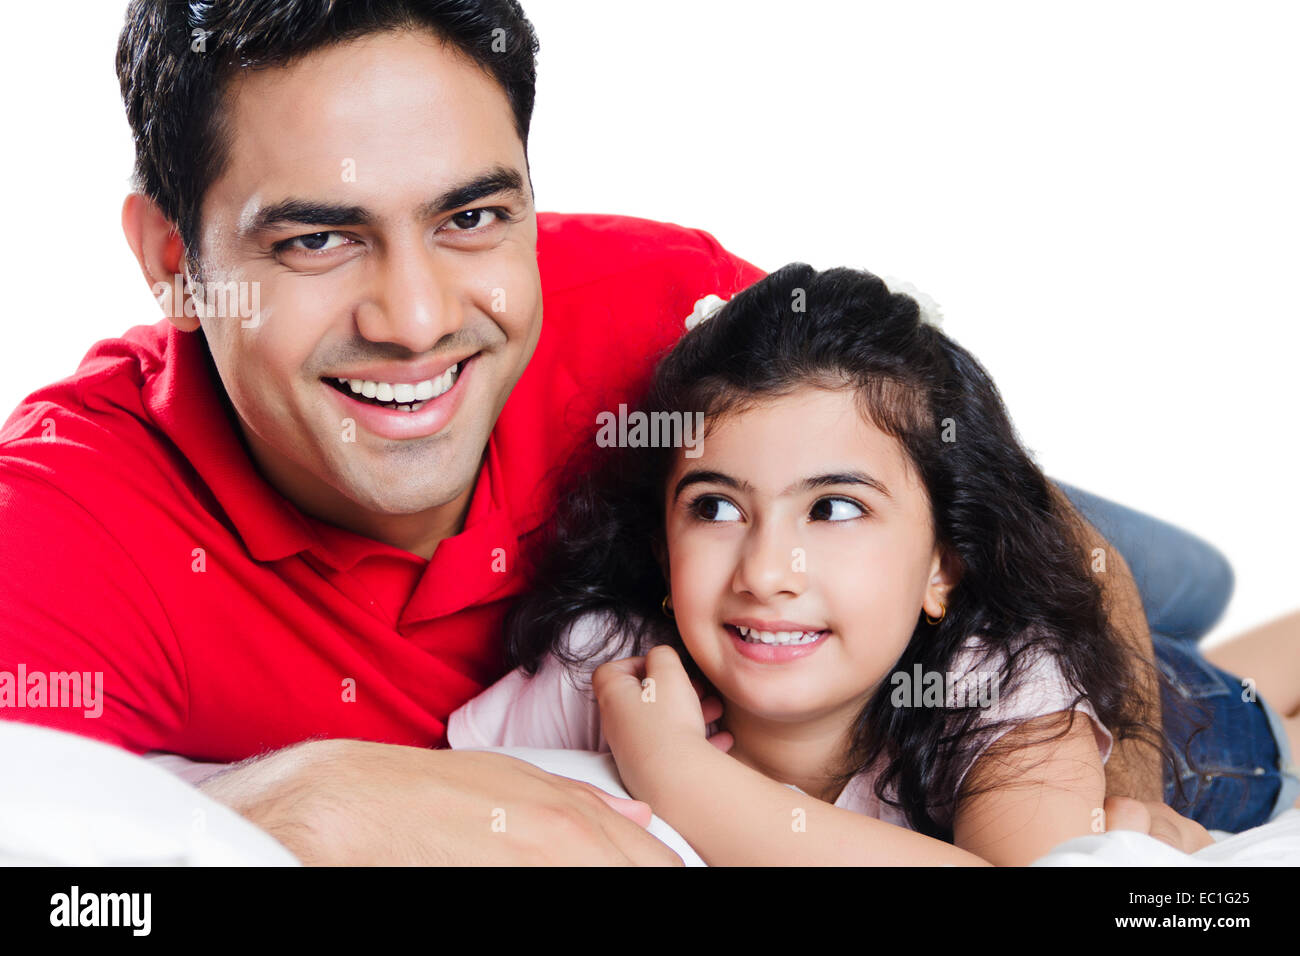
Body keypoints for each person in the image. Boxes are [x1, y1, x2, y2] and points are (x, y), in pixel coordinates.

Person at [0, 0, 1232, 863]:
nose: (418, 319)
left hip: (862, 570)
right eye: (316, 238)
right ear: (173, 262)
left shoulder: (661, 315)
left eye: (472, 216)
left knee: (1150, 595)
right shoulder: (65, 527)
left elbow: (1044, 558)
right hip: (781, 626)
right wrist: (274, 806)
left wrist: (1122, 790)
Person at [449, 265, 1300, 863]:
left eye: (834, 508)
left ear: (944, 567)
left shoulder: (995, 675)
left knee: (1253, 714)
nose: (765, 572)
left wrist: (677, 773)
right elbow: (432, 802)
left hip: (1197, 737)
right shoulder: (610, 666)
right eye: (715, 506)